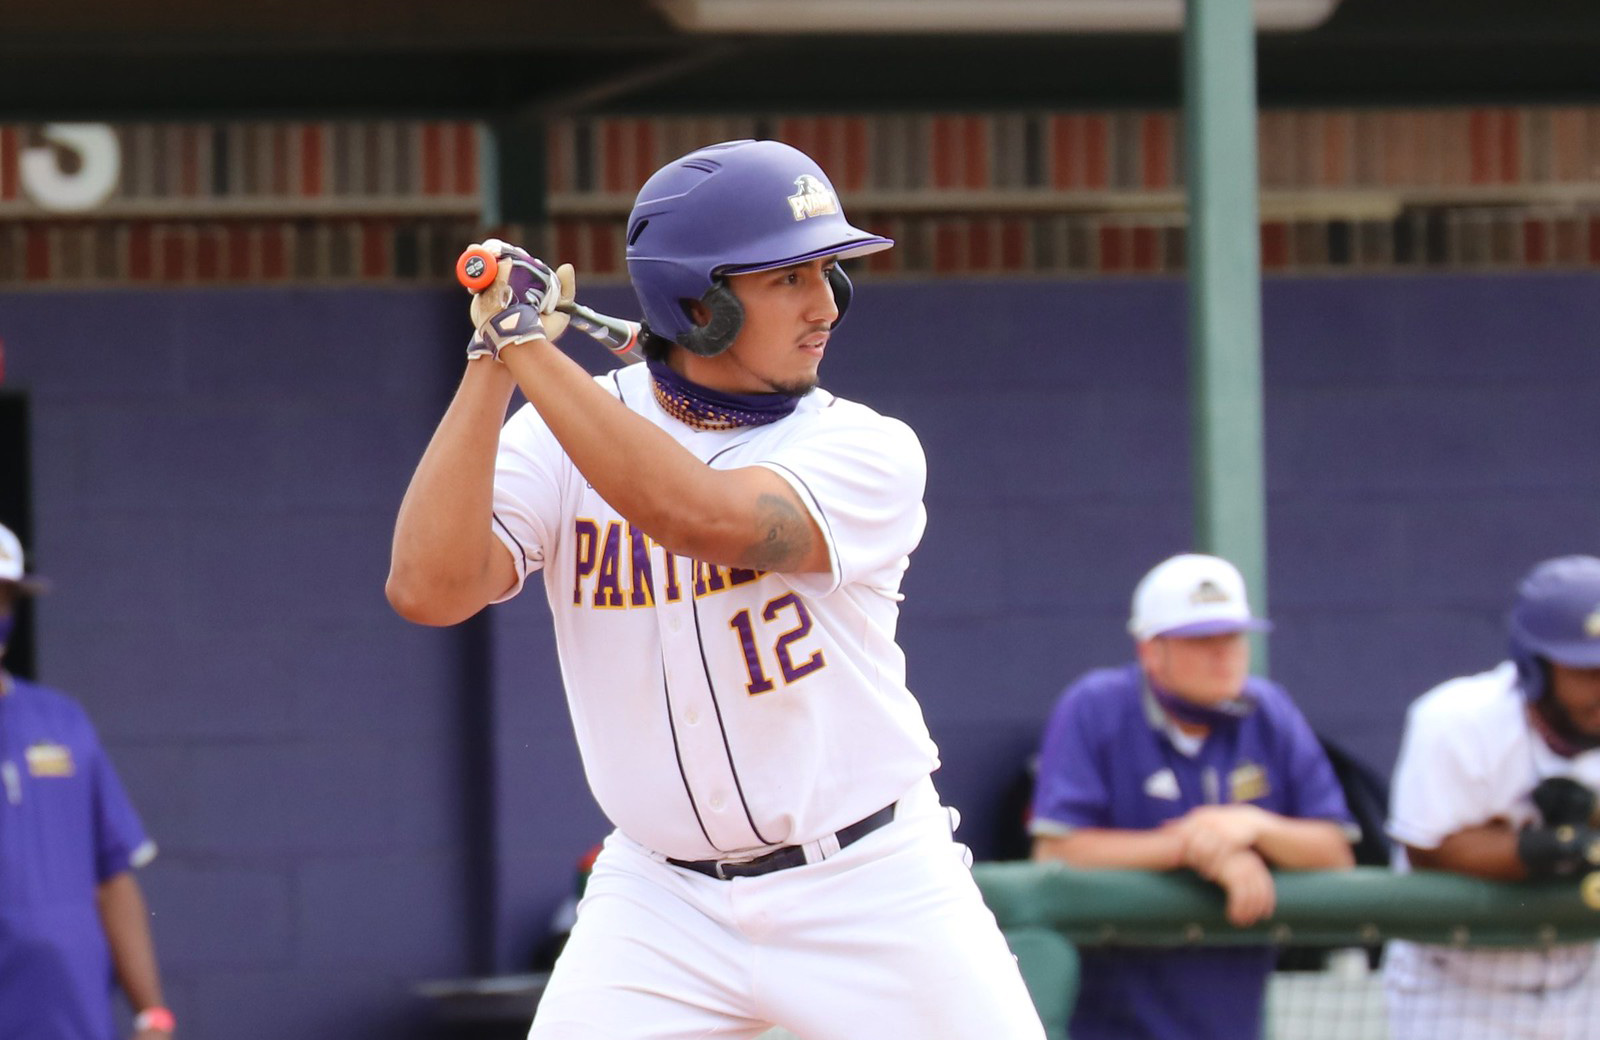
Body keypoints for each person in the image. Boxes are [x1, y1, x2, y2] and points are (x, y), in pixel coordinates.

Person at [387, 139, 1046, 1040]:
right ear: (697, 302)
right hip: (659, 903)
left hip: (869, 883)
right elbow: (430, 588)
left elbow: (702, 518)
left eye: (829, 274)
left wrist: (535, 353)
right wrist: (490, 360)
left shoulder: (866, 448)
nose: (826, 306)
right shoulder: (562, 433)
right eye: (789, 279)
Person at [1029, 552, 1355, 1040]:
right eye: (1201, 640)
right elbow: (1057, 851)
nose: (1224, 654)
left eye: (1233, 637)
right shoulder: (1096, 707)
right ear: (1150, 650)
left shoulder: (1269, 711)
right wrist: (1200, 849)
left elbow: (1334, 853)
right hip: (1109, 1019)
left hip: (1231, 1016)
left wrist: (1256, 827)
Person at [1384, 554, 1600, 1040]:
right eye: (1587, 671)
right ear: (1537, 666)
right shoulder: (1456, 721)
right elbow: (1428, 850)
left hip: (1583, 977)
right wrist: (1539, 849)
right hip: (1460, 988)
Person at [0, 521, 174, 1040]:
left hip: (69, 1021)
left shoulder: (62, 721)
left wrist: (151, 1013)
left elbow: (113, 875)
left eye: (4, 599)